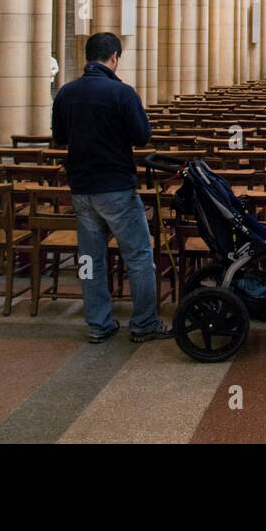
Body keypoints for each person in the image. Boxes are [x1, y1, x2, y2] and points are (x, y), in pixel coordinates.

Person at [52, 32, 166, 344]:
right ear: (114, 57)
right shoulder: (122, 93)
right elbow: (142, 136)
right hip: (116, 186)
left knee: (90, 259)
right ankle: (143, 323)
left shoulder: (66, 93)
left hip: (82, 188)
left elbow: (59, 137)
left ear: (88, 57)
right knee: (139, 256)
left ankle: (98, 323)